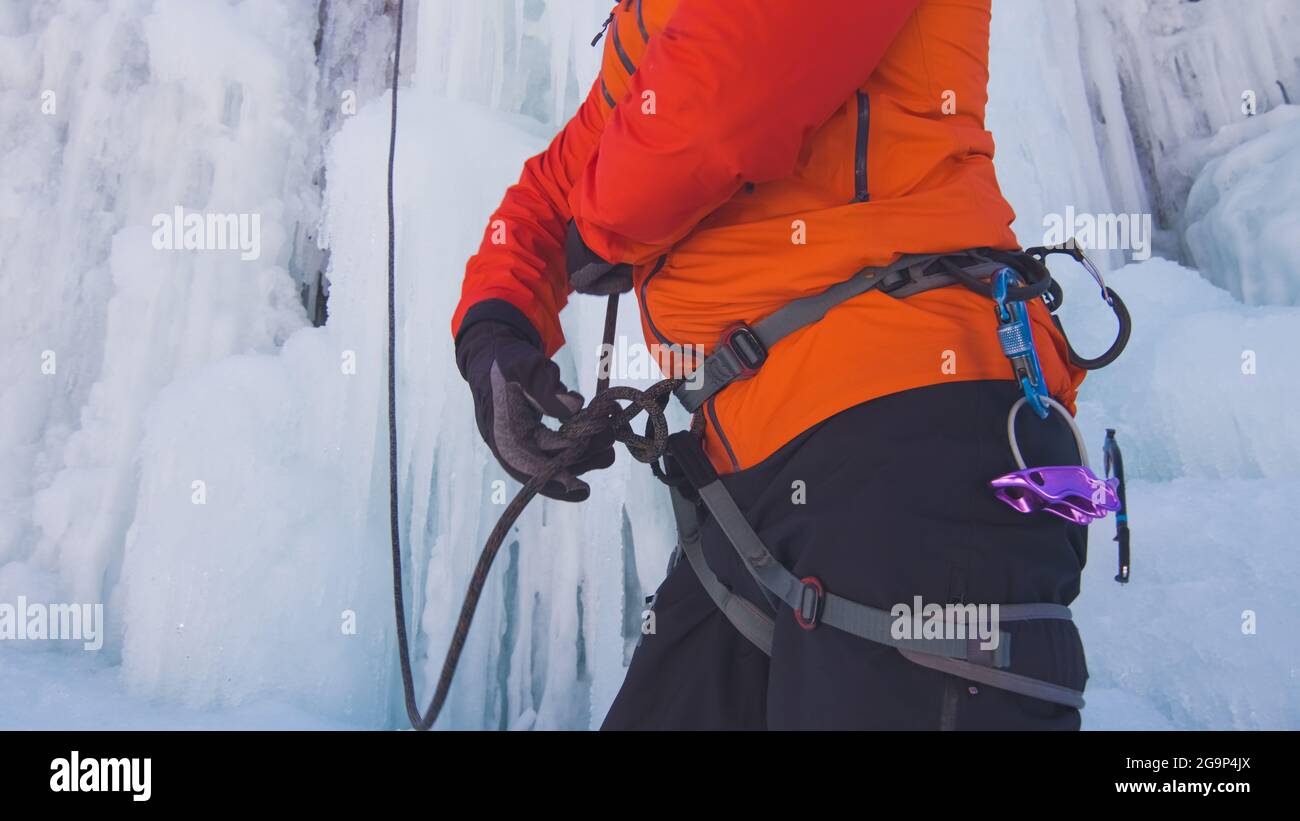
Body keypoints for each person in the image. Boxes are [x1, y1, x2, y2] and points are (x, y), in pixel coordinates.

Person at [453, 0, 1089, 730]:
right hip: (761, 479)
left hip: (912, 432)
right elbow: (562, 180)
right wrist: (495, 324)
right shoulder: (652, 21)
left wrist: (604, 224)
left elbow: (740, 75)